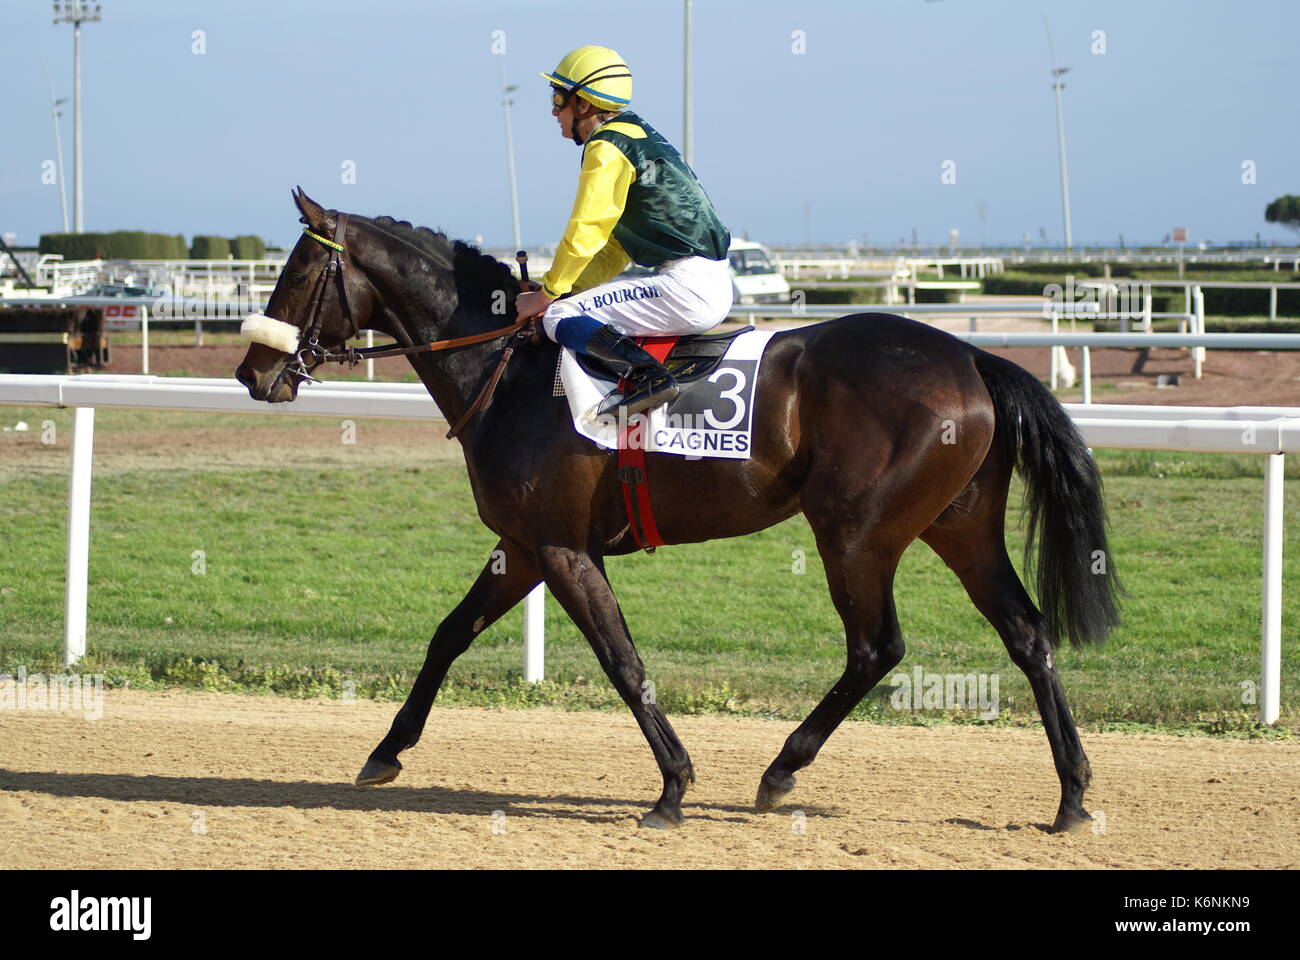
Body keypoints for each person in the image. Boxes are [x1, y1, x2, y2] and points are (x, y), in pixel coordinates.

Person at [514, 45, 733, 418]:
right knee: (566, 305)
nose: (553, 111)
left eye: (558, 98)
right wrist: (568, 288)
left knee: (559, 318)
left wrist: (548, 295)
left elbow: (587, 228)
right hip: (703, 281)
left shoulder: (606, 146)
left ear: (583, 105)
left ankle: (650, 377)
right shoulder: (635, 133)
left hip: (687, 286)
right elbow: (615, 246)